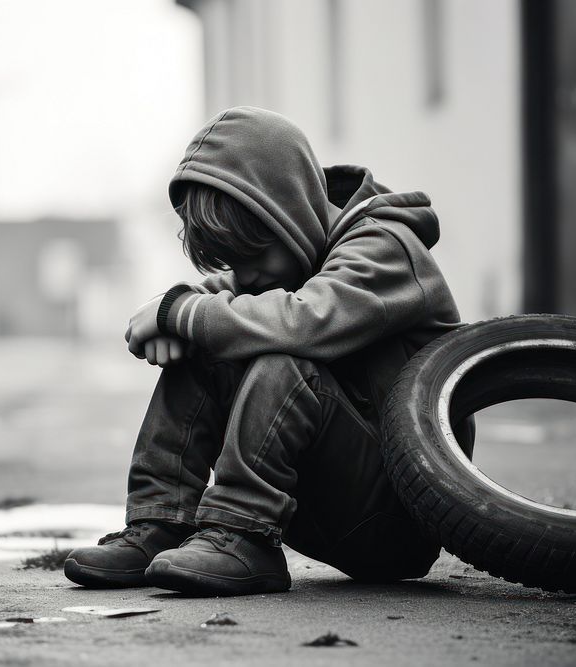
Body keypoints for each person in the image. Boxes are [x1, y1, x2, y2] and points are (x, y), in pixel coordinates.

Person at [64, 106, 474, 596]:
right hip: (325, 508)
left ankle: (244, 537)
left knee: (282, 357)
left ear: (291, 210)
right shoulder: (292, 257)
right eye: (232, 262)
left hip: (399, 516)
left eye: (254, 255)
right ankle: (162, 524)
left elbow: (306, 321)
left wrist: (182, 313)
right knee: (207, 344)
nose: (247, 275)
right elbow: (219, 301)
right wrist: (171, 310)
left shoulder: (386, 248)